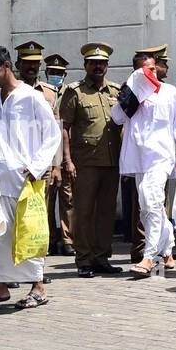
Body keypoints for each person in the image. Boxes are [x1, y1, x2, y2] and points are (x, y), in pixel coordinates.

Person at [0, 45, 61, 309]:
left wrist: (37, 166)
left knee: (28, 231)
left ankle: (38, 287)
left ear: (6, 67)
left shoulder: (31, 97)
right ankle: (0, 287)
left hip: (25, 177)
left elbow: (53, 134)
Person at [111, 46, 176, 277]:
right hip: (138, 158)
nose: (149, 72)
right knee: (148, 207)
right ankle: (166, 250)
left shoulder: (169, 92)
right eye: (143, 69)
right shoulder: (132, 94)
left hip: (161, 157)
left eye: (151, 67)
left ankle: (149, 257)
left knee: (150, 201)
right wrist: (130, 96)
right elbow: (117, 118)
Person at [58, 43, 122, 278]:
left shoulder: (115, 91)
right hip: (84, 162)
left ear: (107, 66)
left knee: (106, 213)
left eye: (102, 63)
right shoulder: (75, 92)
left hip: (111, 162)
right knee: (83, 212)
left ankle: (101, 257)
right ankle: (83, 259)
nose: (98, 67)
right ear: (85, 65)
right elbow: (64, 127)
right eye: (94, 63)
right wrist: (67, 160)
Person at [14, 41, 69, 256]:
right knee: (16, 214)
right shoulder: (7, 92)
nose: (31, 67)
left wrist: (56, 166)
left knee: (41, 215)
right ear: (18, 64)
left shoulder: (49, 93)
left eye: (35, 63)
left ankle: (38, 264)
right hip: (16, 164)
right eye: (27, 63)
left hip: (42, 165)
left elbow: (56, 131)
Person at [42, 53, 76, 255]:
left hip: (69, 152)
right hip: (49, 154)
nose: (56, 76)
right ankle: (49, 239)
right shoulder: (42, 93)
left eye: (59, 73)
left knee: (68, 198)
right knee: (47, 199)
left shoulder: (71, 92)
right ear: (46, 73)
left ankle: (68, 239)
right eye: (52, 72)